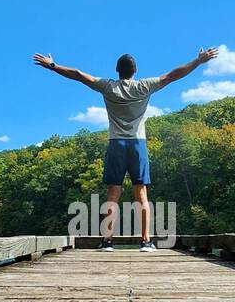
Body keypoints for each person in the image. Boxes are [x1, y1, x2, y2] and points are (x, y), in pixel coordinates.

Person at [33, 47, 218, 249]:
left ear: (116, 70)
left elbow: (78, 75)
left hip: (116, 144)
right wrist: (198, 61)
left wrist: (52, 65)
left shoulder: (108, 87)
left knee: (113, 194)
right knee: (142, 195)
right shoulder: (144, 87)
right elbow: (173, 75)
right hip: (138, 144)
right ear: (135, 70)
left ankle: (107, 241)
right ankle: (146, 241)